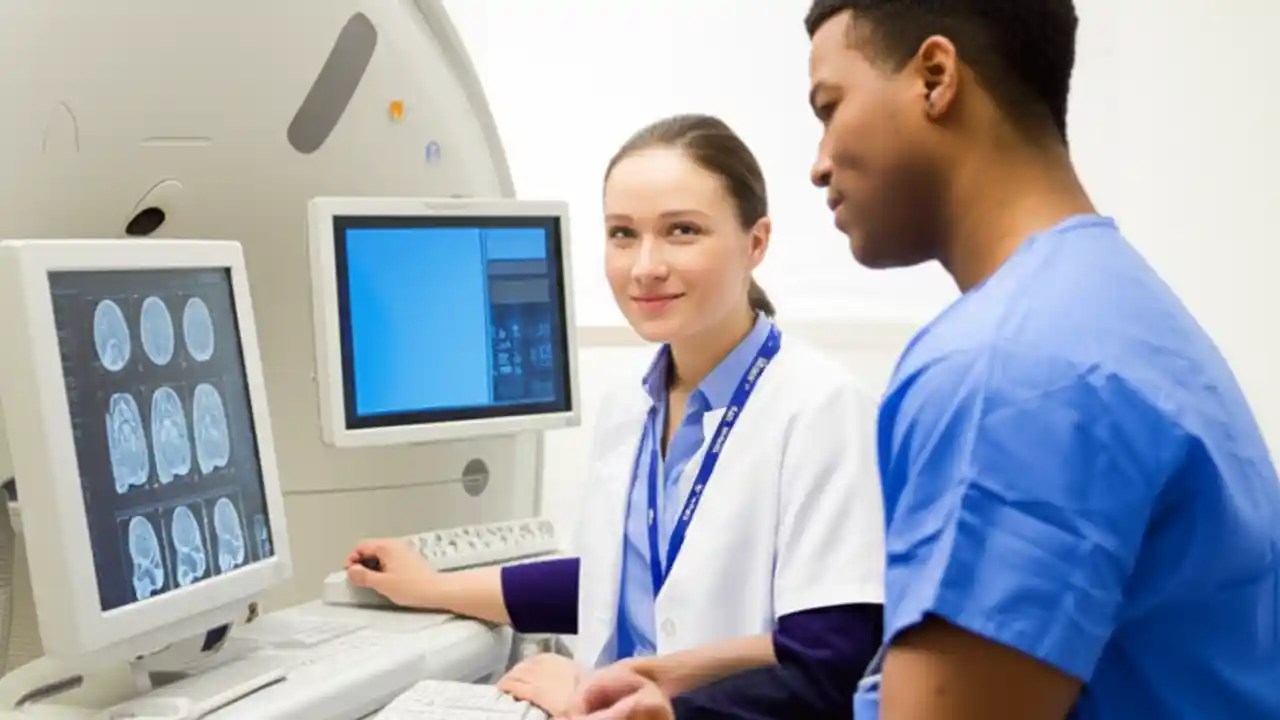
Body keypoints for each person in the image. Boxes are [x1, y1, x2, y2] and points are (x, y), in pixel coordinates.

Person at [566, 1, 1280, 718]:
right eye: (622, 234)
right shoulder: (1115, 306)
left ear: (936, 78)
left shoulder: (1006, 369)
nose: (817, 165)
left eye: (829, 107)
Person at [344, 113, 887, 718]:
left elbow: (830, 662)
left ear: (755, 242)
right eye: (623, 234)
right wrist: (430, 588)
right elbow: (609, 583)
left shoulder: (824, 410)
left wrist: (614, 695)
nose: (644, 266)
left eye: (682, 231)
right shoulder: (631, 403)